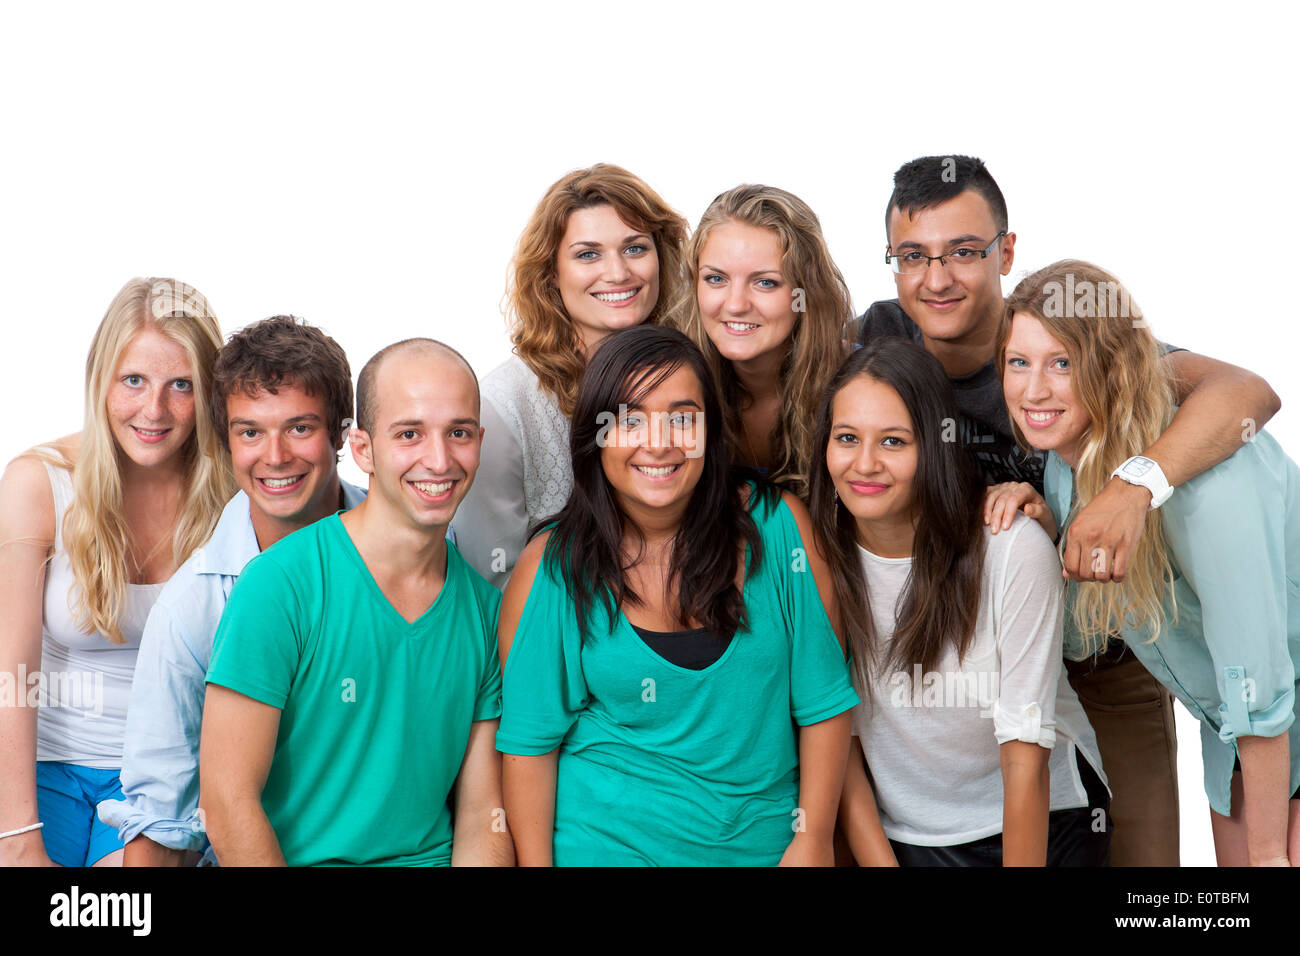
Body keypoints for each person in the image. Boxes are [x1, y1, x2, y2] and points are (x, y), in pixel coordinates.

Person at [855, 154, 1282, 866]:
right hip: (964, 667)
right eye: (912, 256)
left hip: (1111, 651)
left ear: (1006, 252)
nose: (937, 278)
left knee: (1145, 880)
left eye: (964, 252)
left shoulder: (1061, 330)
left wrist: (1130, 488)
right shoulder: (876, 343)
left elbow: (1247, 392)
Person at [497, 325, 858, 866]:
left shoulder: (782, 528)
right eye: (629, 420)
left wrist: (811, 840)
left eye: (682, 418)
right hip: (604, 845)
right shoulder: (553, 565)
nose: (659, 442)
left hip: (762, 846)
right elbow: (530, 745)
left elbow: (824, 705)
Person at [992, 259, 1300, 867]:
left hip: (1275, 718)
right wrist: (1051, 532)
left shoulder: (1211, 492)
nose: (1033, 390)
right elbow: (1084, 632)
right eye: (1018, 362)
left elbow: (1258, 687)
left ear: (1110, 367)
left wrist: (1267, 857)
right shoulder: (1065, 470)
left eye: (1063, 363)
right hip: (1233, 736)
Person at [199, 338, 510, 866]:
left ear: (479, 441)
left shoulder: (484, 610)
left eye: (458, 433)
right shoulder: (279, 586)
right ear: (363, 449)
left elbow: (483, 815)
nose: (439, 460)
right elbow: (228, 804)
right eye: (409, 434)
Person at [818, 338, 1108, 866]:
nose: (864, 464)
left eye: (894, 442)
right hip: (906, 834)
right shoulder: (816, 558)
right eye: (846, 438)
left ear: (935, 446)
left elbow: (1026, 748)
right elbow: (842, 741)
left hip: (1042, 818)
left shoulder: (1011, 547)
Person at [96, 316, 366, 866]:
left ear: (342, 435)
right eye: (250, 432)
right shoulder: (191, 609)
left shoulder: (423, 542)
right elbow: (163, 821)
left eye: (299, 427)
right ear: (225, 443)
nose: (275, 456)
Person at [0, 277, 232, 868]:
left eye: (180, 385)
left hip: (162, 780)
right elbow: (11, 674)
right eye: (134, 381)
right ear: (100, 381)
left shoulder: (233, 494)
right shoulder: (38, 483)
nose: (153, 411)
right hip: (39, 767)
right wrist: (18, 836)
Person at [454, 163, 689, 588]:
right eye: (588, 254)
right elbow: (495, 580)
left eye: (635, 248)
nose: (618, 273)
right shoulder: (503, 405)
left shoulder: (691, 376)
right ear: (551, 274)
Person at [677, 183, 852, 498]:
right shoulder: (669, 383)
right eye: (716, 279)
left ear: (805, 292)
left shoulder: (859, 386)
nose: (735, 304)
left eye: (765, 283)